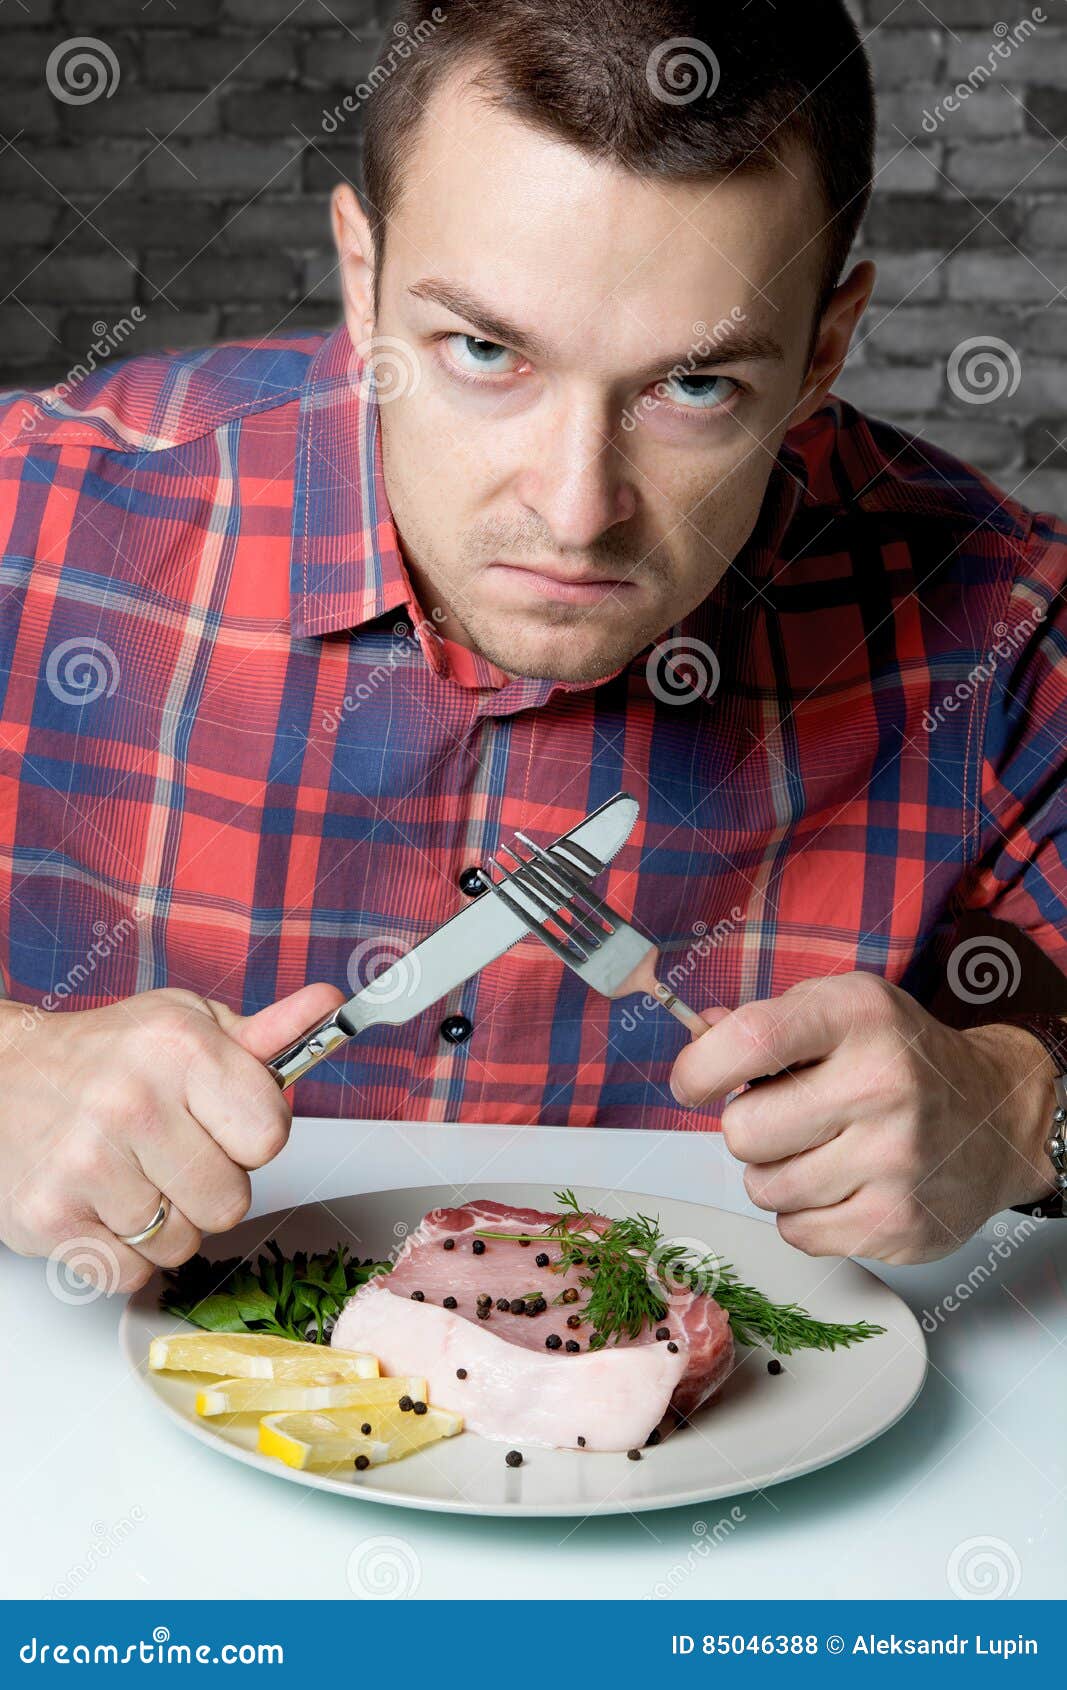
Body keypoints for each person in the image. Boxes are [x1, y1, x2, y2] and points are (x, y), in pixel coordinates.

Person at [0, 0, 1064, 1292]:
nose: (575, 511)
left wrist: (1015, 1110)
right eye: (487, 350)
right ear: (360, 274)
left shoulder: (1002, 623)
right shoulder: (33, 521)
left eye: (694, 386)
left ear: (823, 351)